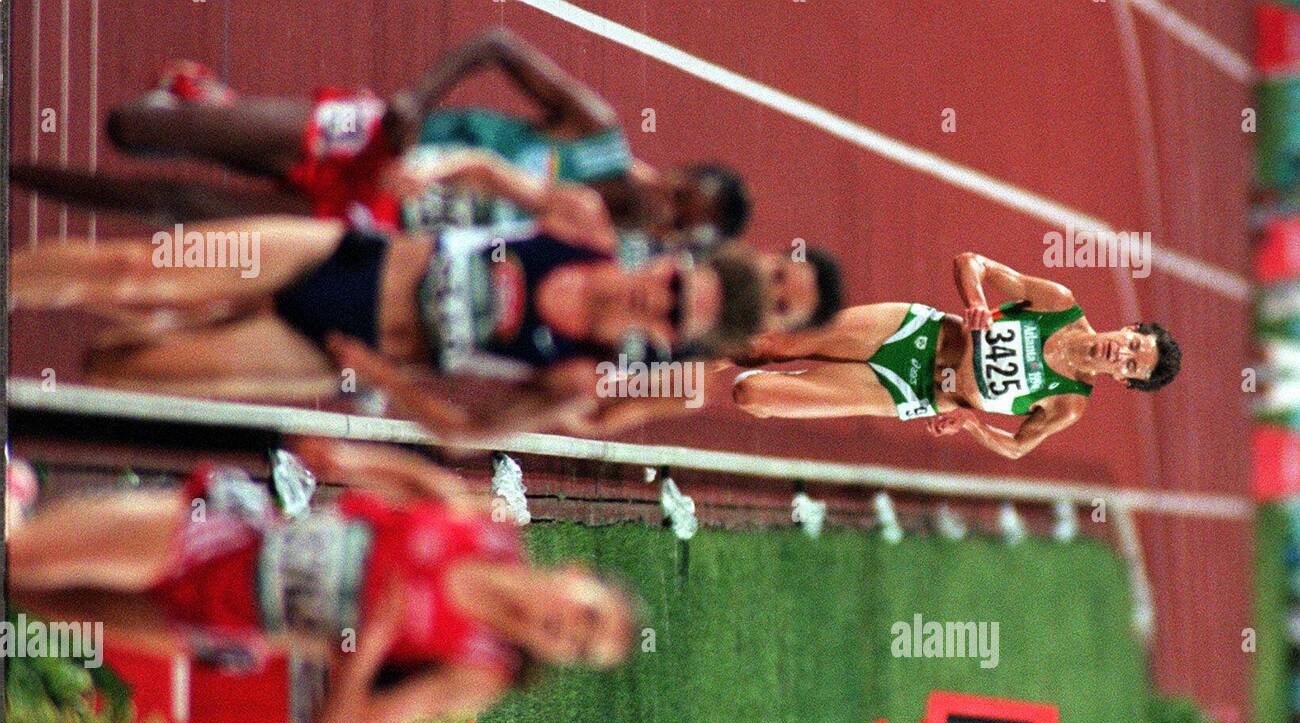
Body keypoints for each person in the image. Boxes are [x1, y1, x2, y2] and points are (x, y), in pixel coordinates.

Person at [11, 153, 765, 443]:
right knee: (136, 270)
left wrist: (385, 382)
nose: (654, 298)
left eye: (670, 316)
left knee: (123, 366)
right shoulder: (582, 222)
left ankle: (155, 315)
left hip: (334, 352)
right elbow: (493, 172)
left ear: (662, 344)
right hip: (344, 255)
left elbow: (467, 434)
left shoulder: (576, 373)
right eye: (672, 282)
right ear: (667, 259)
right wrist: (436, 174)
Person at [6, 440, 638, 723]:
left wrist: (370, 649)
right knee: (22, 554)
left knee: (24, 594)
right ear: (575, 572)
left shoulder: (482, 672)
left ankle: (17, 495)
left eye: (579, 648)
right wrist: (346, 458)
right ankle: (15, 498)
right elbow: (424, 483)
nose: (567, 631)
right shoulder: (491, 533)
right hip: (231, 537)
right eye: (587, 614)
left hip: (230, 623)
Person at [15, 29, 750, 242]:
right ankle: (206, 104)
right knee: (134, 128)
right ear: (679, 175)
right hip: (378, 143)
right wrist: (414, 99)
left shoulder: (611, 259)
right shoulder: (596, 135)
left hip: (379, 228)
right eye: (682, 198)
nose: (668, 215)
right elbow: (497, 44)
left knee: (177, 206)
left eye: (683, 224)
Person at [729, 253, 1182, 459]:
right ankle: (683, 350)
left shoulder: (1069, 402)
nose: (1121, 352)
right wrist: (977, 300)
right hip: (911, 332)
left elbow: (1019, 447)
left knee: (753, 395)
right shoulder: (1058, 303)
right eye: (1134, 344)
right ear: (1132, 328)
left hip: (908, 392)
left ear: (1124, 382)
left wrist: (973, 424)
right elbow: (971, 262)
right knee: (768, 345)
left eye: (1130, 364)